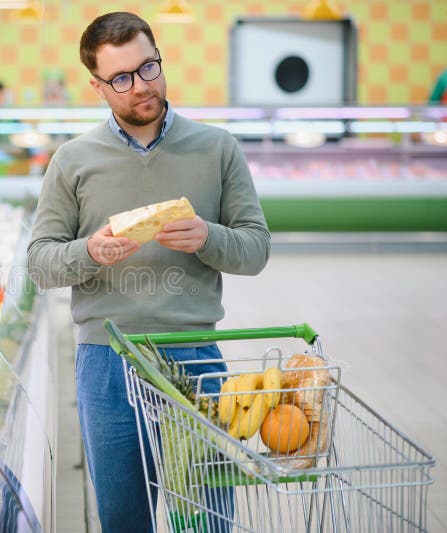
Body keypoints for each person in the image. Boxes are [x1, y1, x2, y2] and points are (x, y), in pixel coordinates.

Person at [26, 11, 270, 533]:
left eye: (148, 68)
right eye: (121, 79)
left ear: (159, 58)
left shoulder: (217, 148)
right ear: (97, 86)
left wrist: (209, 237)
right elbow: (40, 263)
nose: (140, 87)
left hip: (196, 358)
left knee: (206, 522)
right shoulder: (73, 160)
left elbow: (255, 250)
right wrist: (89, 252)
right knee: (123, 521)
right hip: (107, 362)